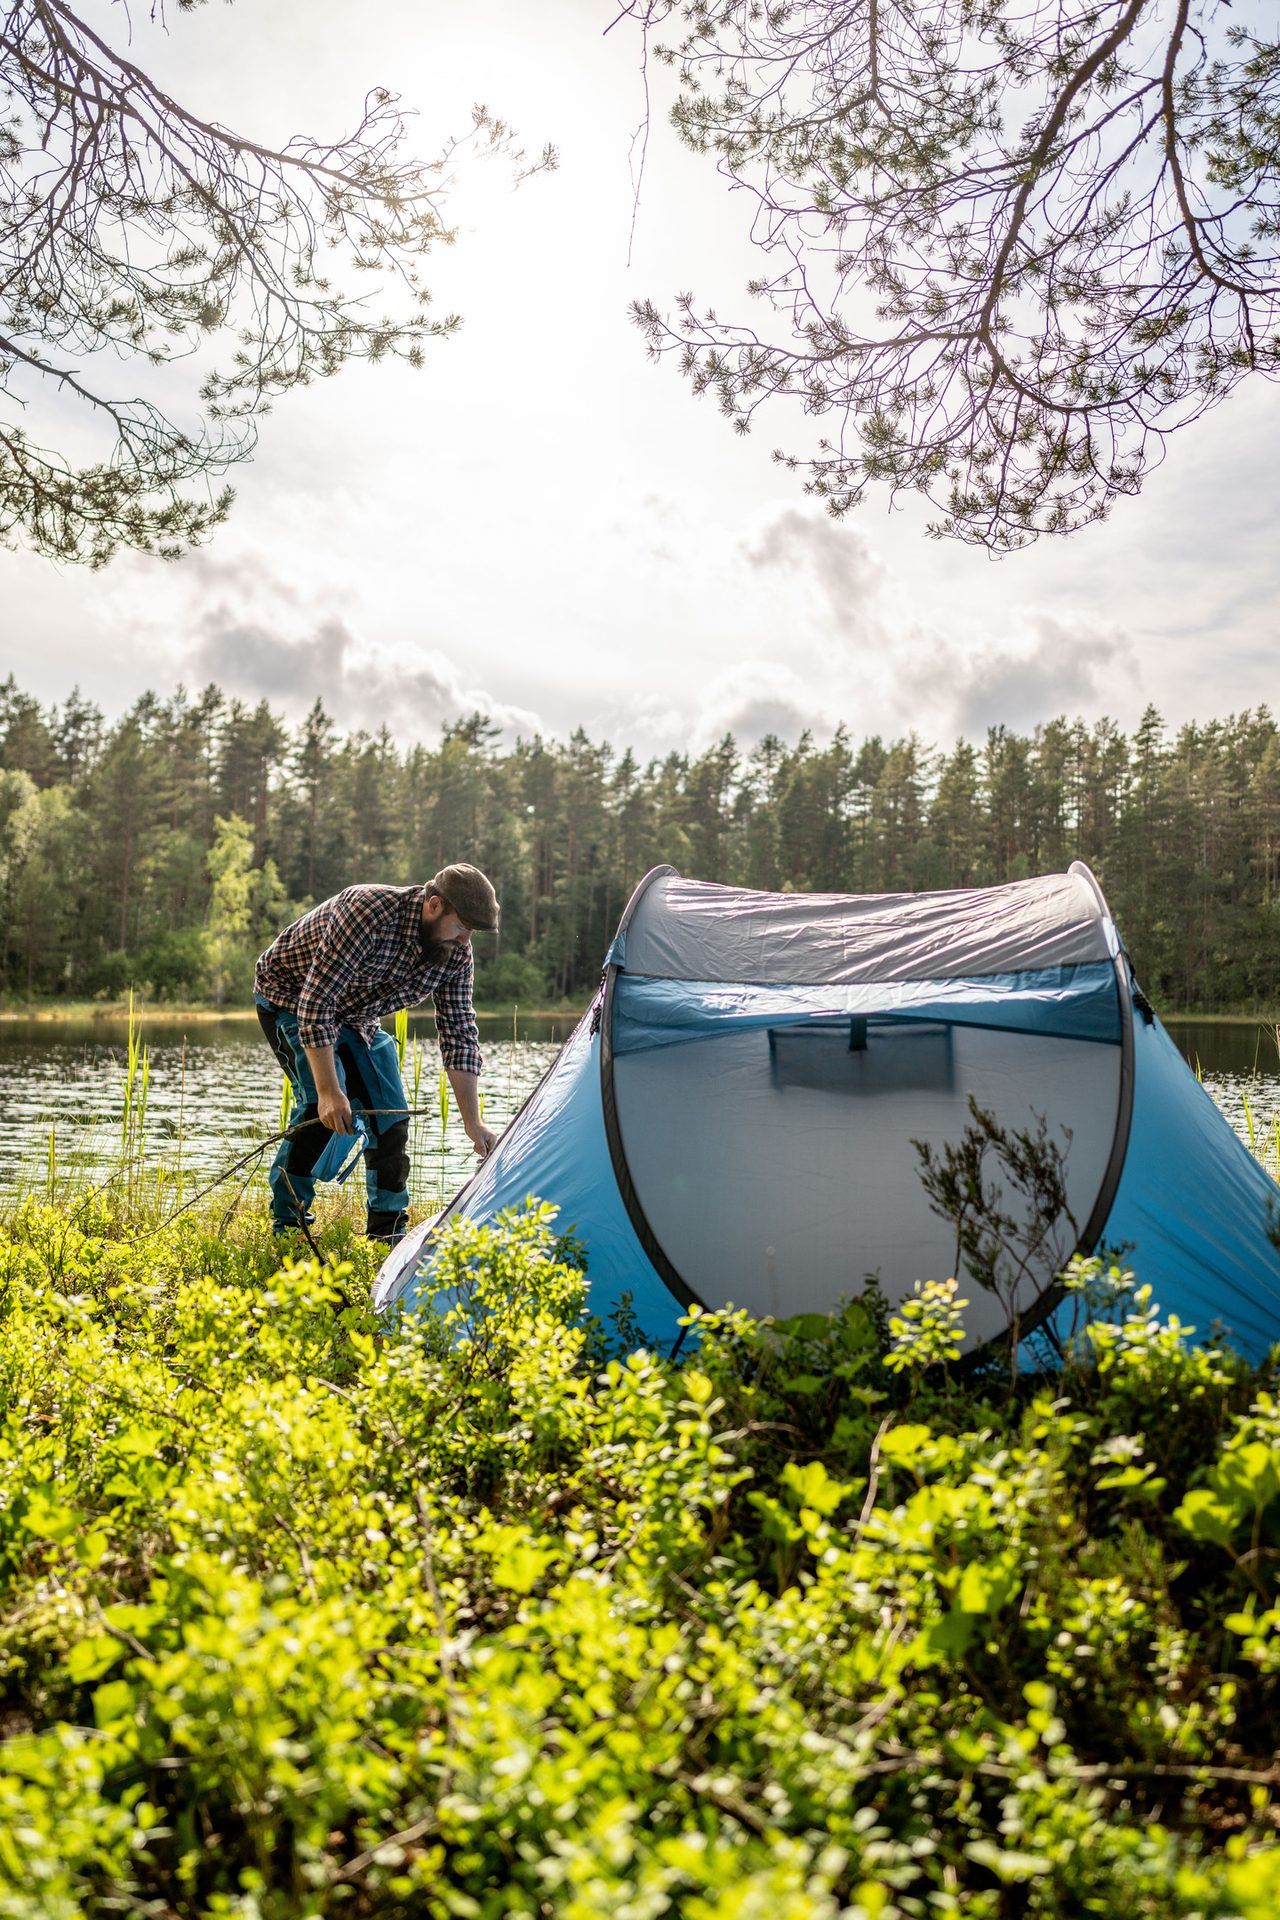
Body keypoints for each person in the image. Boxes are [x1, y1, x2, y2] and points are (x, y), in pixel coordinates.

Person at [254, 863, 500, 1244]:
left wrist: (474, 1122)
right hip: (289, 998)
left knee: (391, 1115)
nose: (466, 940)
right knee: (319, 1113)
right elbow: (316, 1004)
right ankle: (289, 1228)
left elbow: (459, 1034)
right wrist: (330, 1093)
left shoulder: (454, 954)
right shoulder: (367, 912)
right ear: (434, 905)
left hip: (356, 1015)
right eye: (462, 927)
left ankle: (387, 1231)